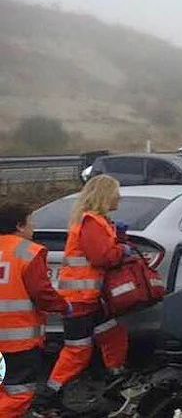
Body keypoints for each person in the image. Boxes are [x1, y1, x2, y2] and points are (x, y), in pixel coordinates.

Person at [44, 175, 132, 402]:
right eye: (116, 192)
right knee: (78, 351)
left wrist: (118, 238)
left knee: (112, 333)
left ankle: (116, 377)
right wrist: (121, 249)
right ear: (105, 195)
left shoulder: (96, 221)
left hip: (90, 298)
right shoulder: (91, 222)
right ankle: (52, 392)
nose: (119, 197)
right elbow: (102, 257)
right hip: (80, 300)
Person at [0, 203, 70, 417]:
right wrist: (63, 307)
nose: (33, 227)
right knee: (19, 395)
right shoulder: (28, 251)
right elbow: (42, 293)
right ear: (20, 226)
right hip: (18, 341)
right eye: (31, 222)